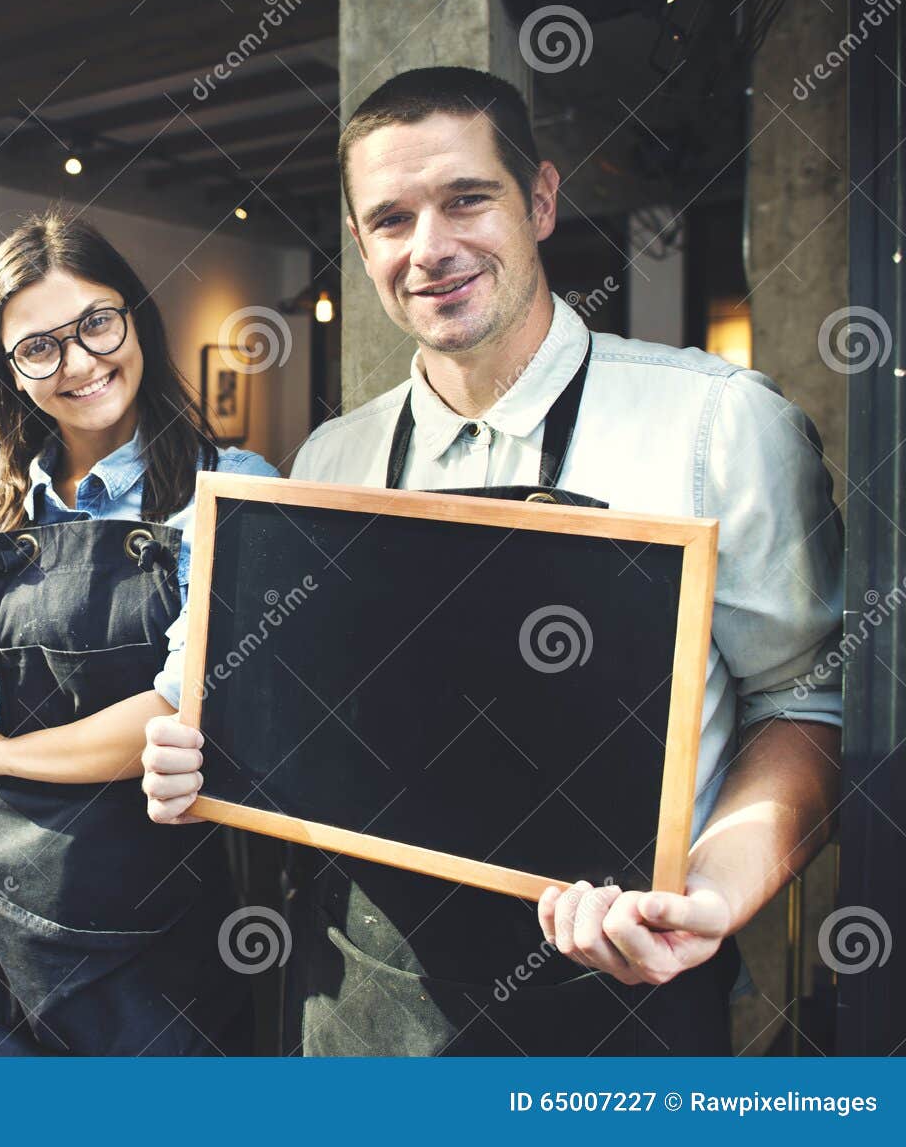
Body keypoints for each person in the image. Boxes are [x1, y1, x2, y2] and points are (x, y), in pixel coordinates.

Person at [141, 66, 844, 1056]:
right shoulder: (329, 458)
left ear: (541, 200)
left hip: (617, 993)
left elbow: (802, 706)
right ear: (359, 244)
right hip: (361, 992)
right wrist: (194, 748)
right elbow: (268, 710)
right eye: (390, 219)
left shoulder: (718, 424)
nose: (429, 247)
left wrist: (709, 895)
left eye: (465, 199)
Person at [0, 211, 277, 1055]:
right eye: (39, 347)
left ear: (136, 317)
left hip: (155, 937)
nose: (78, 362)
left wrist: (0, 757)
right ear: (10, 373)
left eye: (96, 323)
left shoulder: (233, 491)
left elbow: (182, 708)